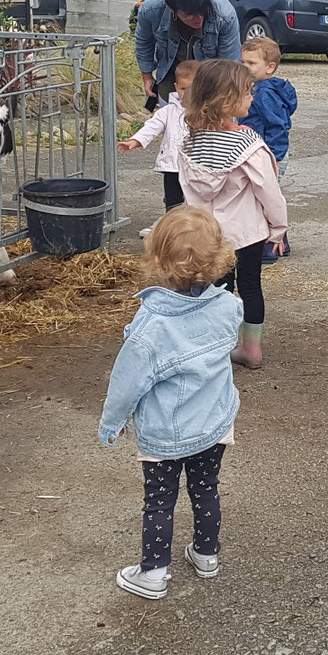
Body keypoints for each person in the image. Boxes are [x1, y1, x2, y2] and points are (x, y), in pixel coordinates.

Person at [97, 206, 242, 600]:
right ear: (219, 258)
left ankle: (154, 573)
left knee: (160, 501)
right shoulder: (229, 306)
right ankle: (207, 554)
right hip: (214, 422)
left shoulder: (152, 324)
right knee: (206, 488)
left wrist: (112, 422)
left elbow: (127, 381)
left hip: (166, 432)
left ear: (157, 260)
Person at [180, 58, 287, 370]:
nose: (252, 96)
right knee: (250, 285)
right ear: (228, 101)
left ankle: (217, 347)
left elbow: (187, 189)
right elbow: (269, 189)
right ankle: (251, 349)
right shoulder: (248, 143)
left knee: (216, 288)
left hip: (208, 233)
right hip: (247, 233)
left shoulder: (190, 142)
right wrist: (278, 228)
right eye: (247, 92)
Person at [133, 0, 242, 102]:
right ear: (172, 10)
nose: (198, 19)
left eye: (201, 12)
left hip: (211, 82)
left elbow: (229, 63)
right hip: (170, 78)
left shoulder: (224, 15)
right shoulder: (151, 10)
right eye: (189, 15)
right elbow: (143, 43)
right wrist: (147, 76)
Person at [118, 59, 199, 235]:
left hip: (198, 167)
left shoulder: (207, 112)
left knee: (197, 199)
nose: (188, 93)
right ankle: (172, 229)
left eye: (193, 89)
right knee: (173, 200)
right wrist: (135, 141)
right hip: (172, 165)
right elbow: (151, 127)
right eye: (183, 89)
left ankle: (197, 229)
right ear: (176, 87)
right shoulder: (168, 111)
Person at [238, 36, 297, 262]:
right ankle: (281, 243)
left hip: (269, 154)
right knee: (264, 197)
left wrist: (276, 156)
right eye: (243, 62)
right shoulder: (255, 89)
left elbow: (277, 126)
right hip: (259, 151)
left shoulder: (264, 94)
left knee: (263, 199)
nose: (245, 67)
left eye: (251, 64)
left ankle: (269, 247)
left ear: (270, 67)